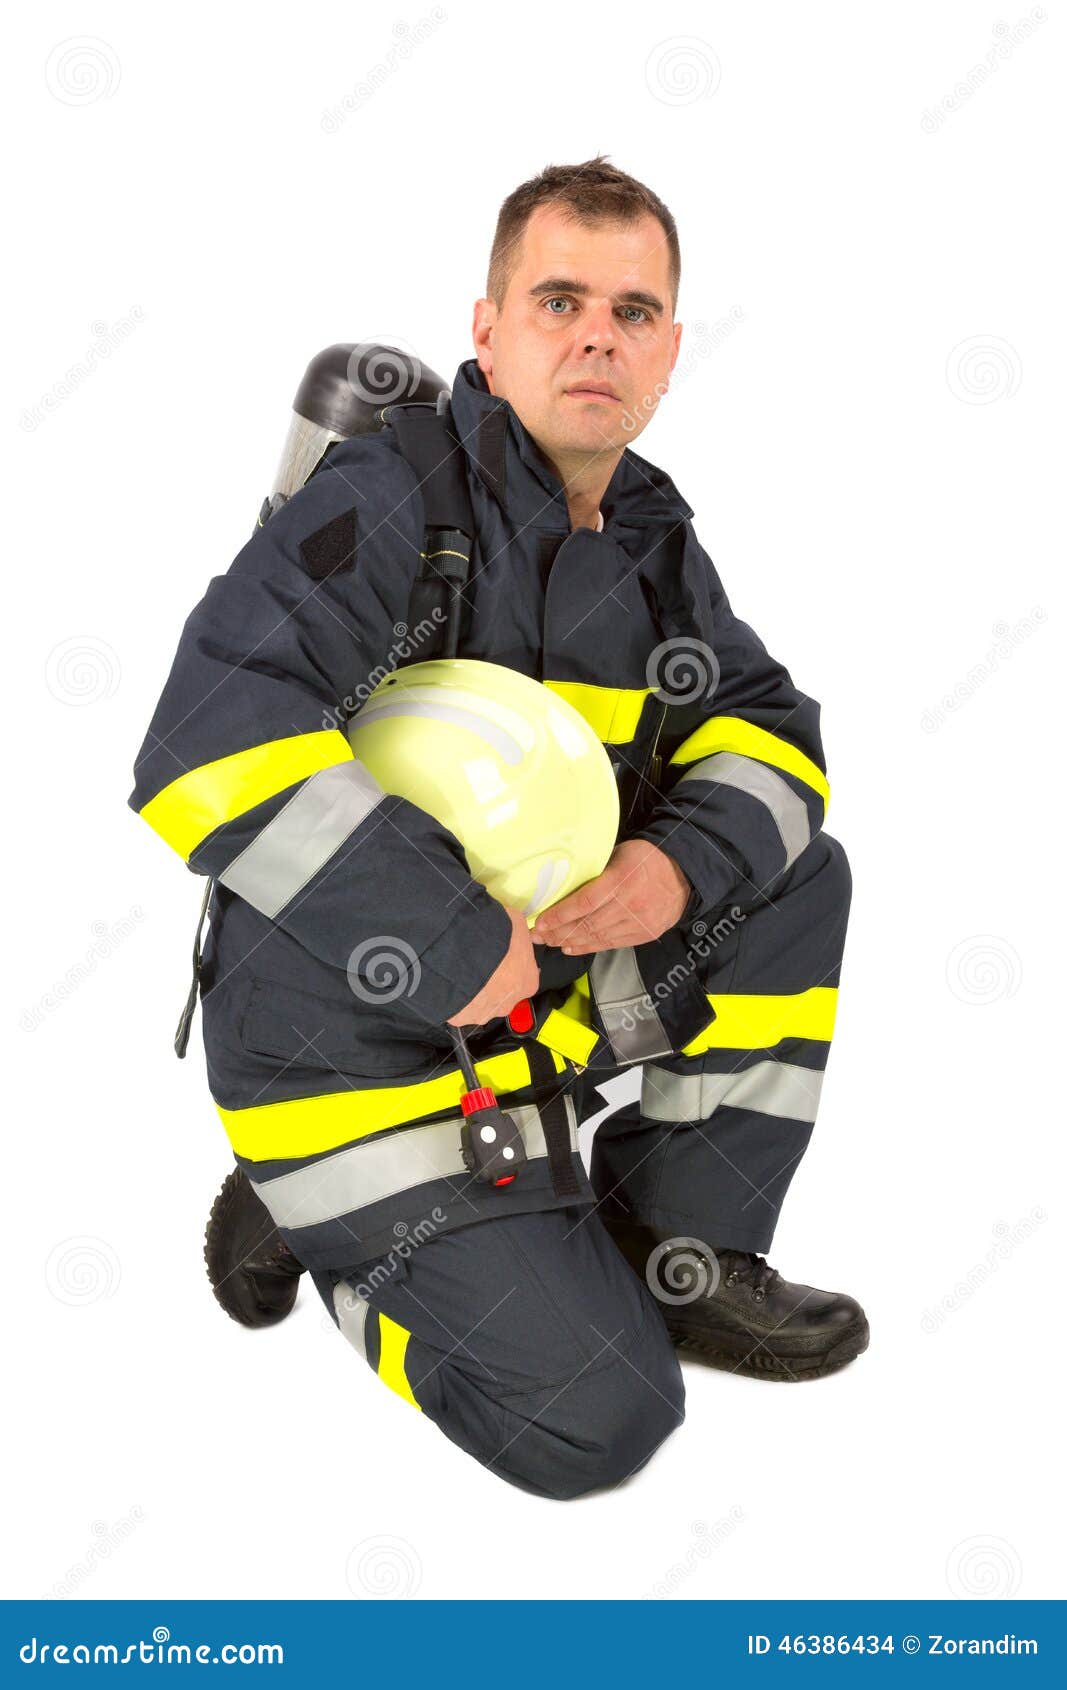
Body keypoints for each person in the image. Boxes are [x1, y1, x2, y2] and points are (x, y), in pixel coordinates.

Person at [129, 155, 867, 1502]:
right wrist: (443, 932)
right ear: (487, 329)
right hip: (342, 1036)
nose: (599, 334)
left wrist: (671, 865)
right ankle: (327, 1227)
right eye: (560, 299)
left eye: (633, 312)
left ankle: (678, 1252)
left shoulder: (651, 542)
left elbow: (773, 738)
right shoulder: (392, 495)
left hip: (521, 995)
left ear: (670, 349)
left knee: (789, 874)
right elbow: (207, 738)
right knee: (603, 1417)